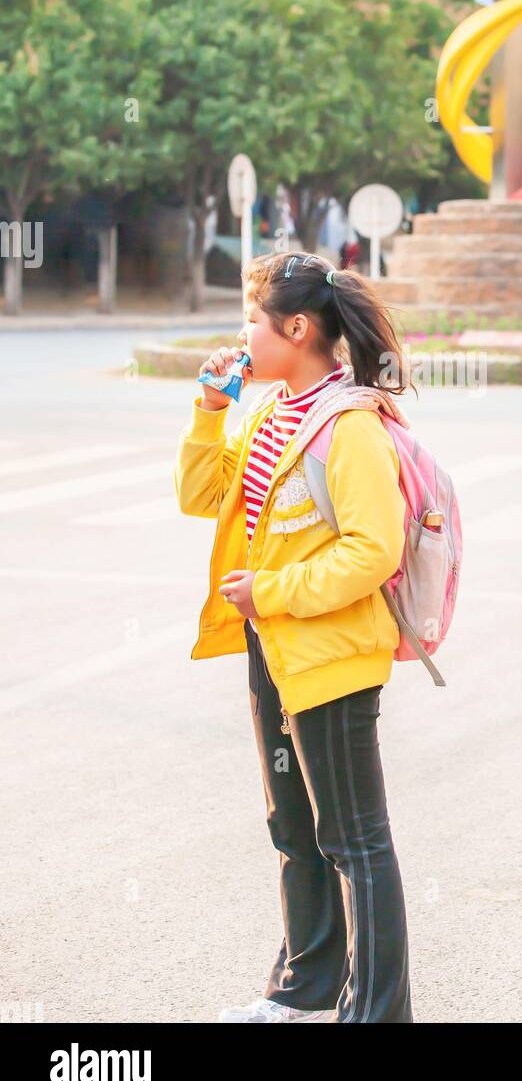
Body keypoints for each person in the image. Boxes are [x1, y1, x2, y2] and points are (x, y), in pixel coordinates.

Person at [174, 251, 413, 1023]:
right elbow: (202, 496)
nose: (242, 332)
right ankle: (305, 987)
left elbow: (375, 549)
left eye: (253, 318)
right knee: (295, 826)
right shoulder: (270, 412)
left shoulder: (348, 425)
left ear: (298, 328)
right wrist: (211, 409)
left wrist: (270, 590)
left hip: (331, 655)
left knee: (355, 840)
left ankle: (376, 1013)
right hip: (275, 646)